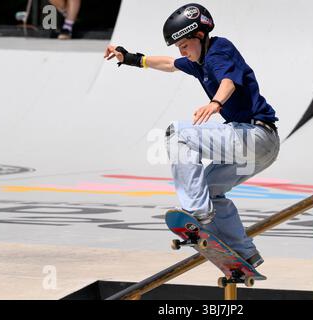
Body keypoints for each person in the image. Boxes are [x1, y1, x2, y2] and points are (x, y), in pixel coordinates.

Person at [104, 3, 280, 268]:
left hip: (254, 135)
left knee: (178, 133)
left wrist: (216, 104)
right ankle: (245, 252)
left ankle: (197, 212)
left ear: (199, 36)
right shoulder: (198, 61)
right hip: (260, 147)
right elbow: (168, 63)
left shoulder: (219, 51)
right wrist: (130, 58)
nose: (181, 51)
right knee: (211, 190)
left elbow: (228, 82)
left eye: (184, 45)